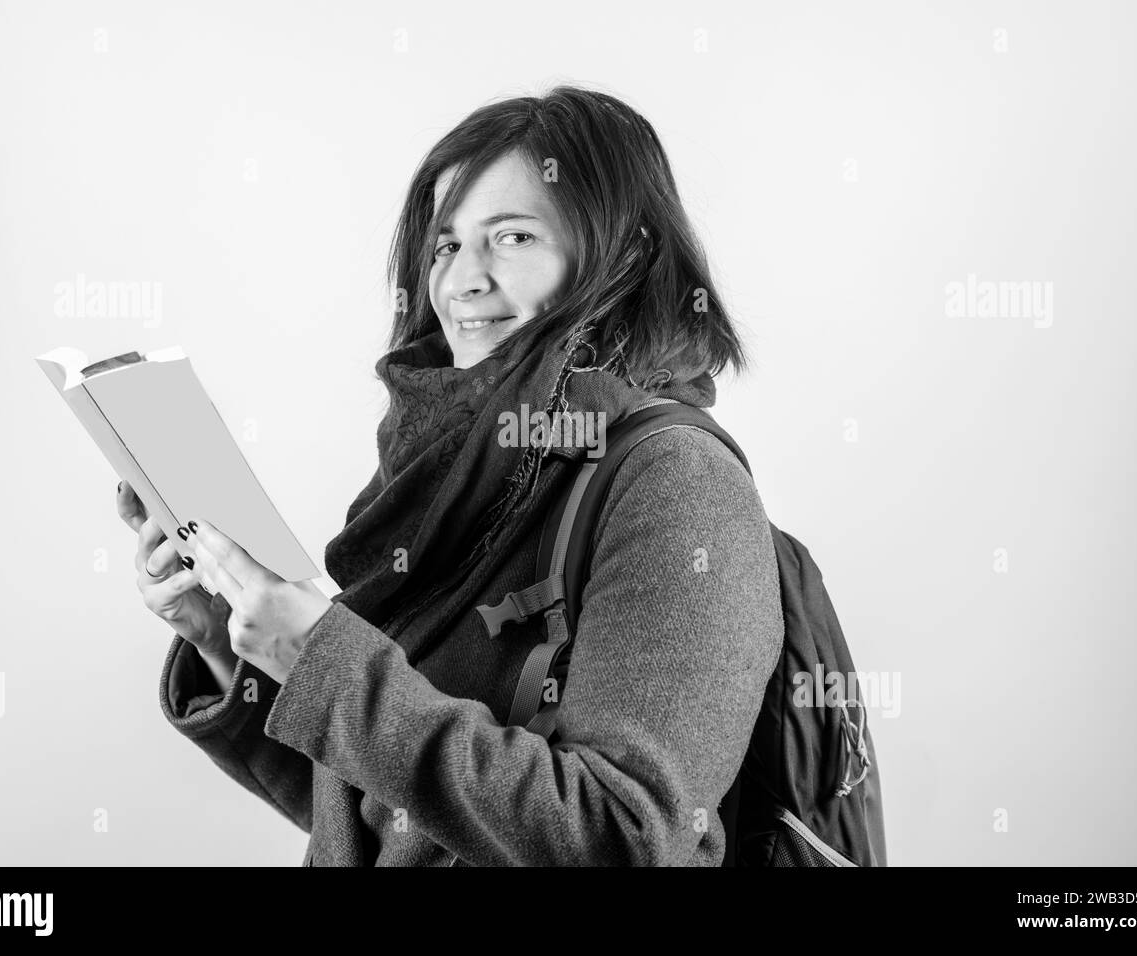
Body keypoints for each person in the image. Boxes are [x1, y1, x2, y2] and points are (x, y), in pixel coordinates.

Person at [116, 84, 785, 866]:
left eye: (512, 237)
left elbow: (629, 839)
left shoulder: (676, 482)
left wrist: (325, 667)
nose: (462, 280)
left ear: (625, 255)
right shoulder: (465, 473)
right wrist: (224, 639)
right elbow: (383, 815)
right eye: (445, 245)